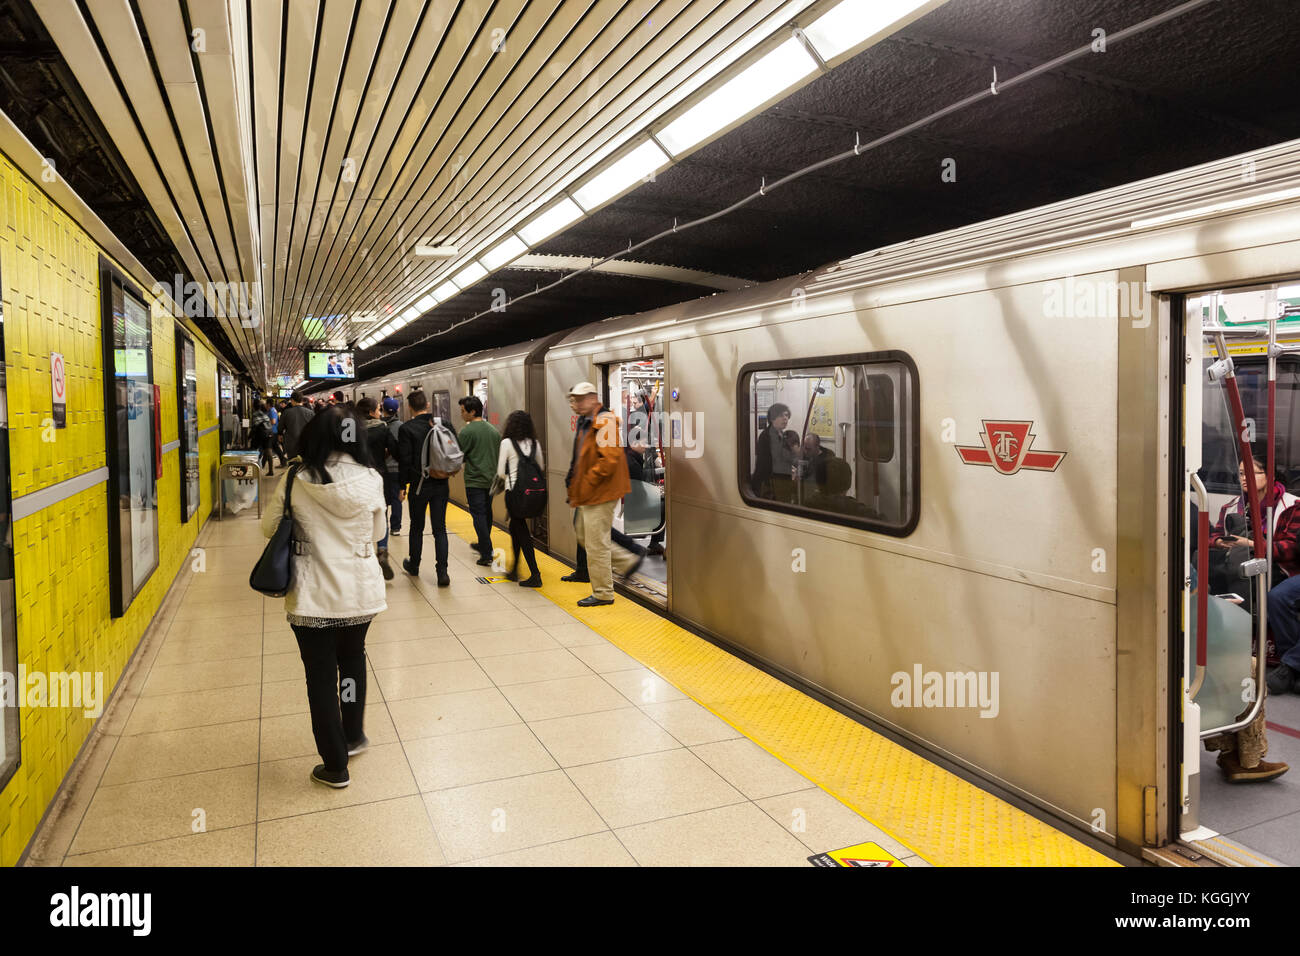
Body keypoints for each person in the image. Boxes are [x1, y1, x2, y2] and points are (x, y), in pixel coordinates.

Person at [260, 405, 387, 789]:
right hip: (359, 593)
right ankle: (352, 736)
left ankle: (335, 766)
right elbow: (378, 534)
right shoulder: (371, 478)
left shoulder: (297, 477)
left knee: (320, 676)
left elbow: (268, 529)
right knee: (351, 661)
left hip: (313, 596)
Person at [1200, 455, 1294, 783]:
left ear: (1269, 474)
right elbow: (1211, 537)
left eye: (1249, 472)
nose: (1242, 478)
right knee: (1245, 669)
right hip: (1243, 564)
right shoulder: (1232, 507)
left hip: (1280, 569)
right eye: (1239, 473)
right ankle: (1245, 759)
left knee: (1258, 584)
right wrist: (1228, 543)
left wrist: (1253, 544)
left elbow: (1290, 548)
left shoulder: (1291, 505)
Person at [565, 382, 637, 606]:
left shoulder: (604, 420)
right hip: (589, 491)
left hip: (600, 491)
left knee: (596, 543)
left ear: (592, 398)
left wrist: (587, 481)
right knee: (584, 536)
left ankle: (603, 592)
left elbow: (610, 458)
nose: (575, 404)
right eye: (573, 399)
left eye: (579, 399)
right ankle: (628, 562)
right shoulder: (586, 421)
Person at [398, 390, 455, 586]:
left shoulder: (407, 429)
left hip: (419, 486)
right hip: (441, 483)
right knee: (440, 529)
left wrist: (401, 486)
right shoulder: (443, 424)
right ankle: (443, 573)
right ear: (428, 406)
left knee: (417, 527)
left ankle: (414, 565)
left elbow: (404, 461)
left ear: (410, 408)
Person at [497, 410, 544, 587]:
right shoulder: (535, 443)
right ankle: (514, 568)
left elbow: (501, 473)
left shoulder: (507, 443)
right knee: (515, 526)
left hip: (514, 493)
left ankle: (535, 574)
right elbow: (540, 467)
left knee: (521, 529)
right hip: (532, 493)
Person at [456, 395, 501, 567]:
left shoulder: (466, 432)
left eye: (463, 411)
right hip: (491, 480)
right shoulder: (493, 430)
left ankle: (486, 552)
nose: (461, 415)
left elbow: (460, 455)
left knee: (478, 516)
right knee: (487, 514)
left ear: (472, 411)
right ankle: (484, 544)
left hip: (474, 480)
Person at [357, 396, 398, 581]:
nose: (380, 413)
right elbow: (396, 451)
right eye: (378, 410)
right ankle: (382, 551)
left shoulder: (351, 428)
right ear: (373, 412)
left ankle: (360, 555)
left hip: (357, 477)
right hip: (379, 477)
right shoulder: (382, 428)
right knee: (382, 515)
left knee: (359, 517)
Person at [751, 402, 794, 500]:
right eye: (781, 415)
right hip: (770, 486)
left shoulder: (783, 435)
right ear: (772, 418)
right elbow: (765, 465)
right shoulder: (766, 436)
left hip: (782, 483)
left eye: (787, 415)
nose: (785, 418)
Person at [381, 397, 404, 536]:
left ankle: (383, 526)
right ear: (397, 410)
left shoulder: (379, 426)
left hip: (382, 469)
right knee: (396, 499)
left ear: (382, 410)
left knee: (382, 498)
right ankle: (396, 527)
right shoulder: (401, 426)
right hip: (397, 469)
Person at [280, 391, 315, 460]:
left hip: (291, 443)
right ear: (301, 400)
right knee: (304, 463)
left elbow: (281, 427)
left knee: (292, 462)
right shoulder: (311, 413)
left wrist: (280, 434)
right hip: (305, 443)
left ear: (292, 400)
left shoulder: (286, 412)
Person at [250, 400, 274, 476]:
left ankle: (254, 468)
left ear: (253, 407)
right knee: (269, 451)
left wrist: (250, 436)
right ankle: (271, 471)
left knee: (253, 449)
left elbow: (255, 425)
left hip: (261, 434)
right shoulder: (264, 413)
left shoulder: (255, 414)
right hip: (269, 433)